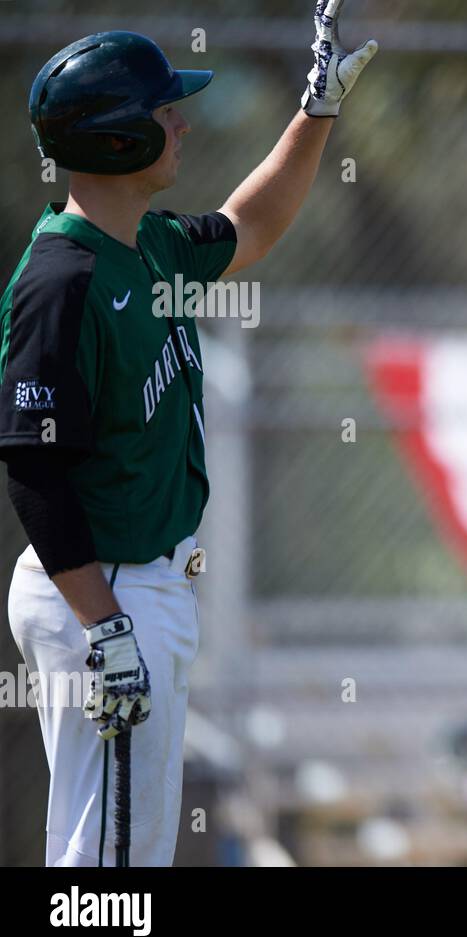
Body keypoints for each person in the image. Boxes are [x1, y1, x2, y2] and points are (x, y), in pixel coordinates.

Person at [0, 1, 377, 866]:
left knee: (120, 855)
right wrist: (105, 628)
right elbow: (34, 472)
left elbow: (250, 227)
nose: (181, 123)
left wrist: (316, 114)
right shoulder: (62, 280)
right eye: (164, 112)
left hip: (135, 594)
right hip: (104, 594)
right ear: (119, 140)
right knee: (108, 866)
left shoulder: (150, 245)